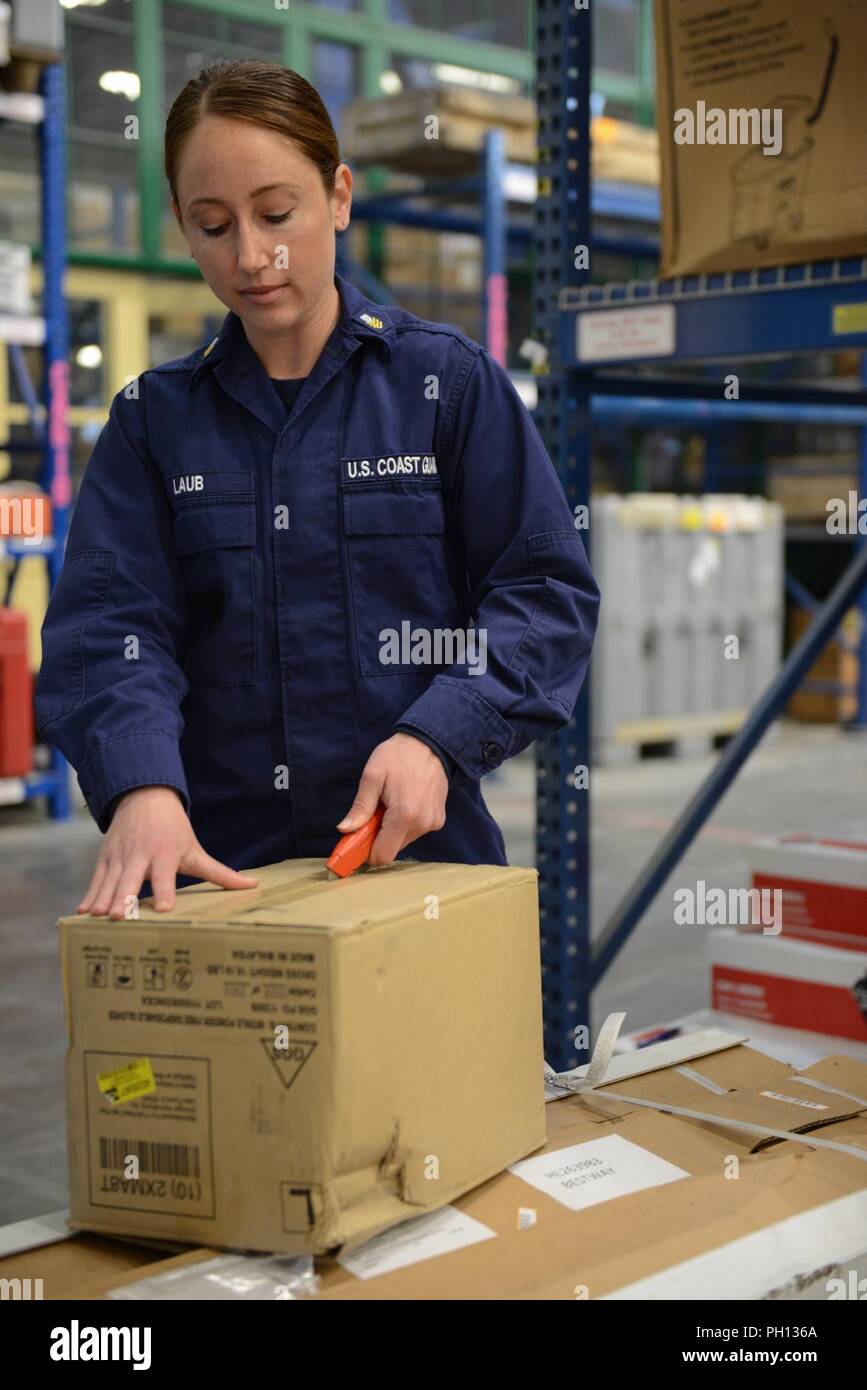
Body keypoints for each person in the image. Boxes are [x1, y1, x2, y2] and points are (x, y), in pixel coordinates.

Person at [35, 60, 600, 921]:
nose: (252, 258)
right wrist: (141, 783)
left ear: (338, 196)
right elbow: (111, 629)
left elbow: (542, 594)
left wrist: (437, 735)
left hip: (417, 870)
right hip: (215, 879)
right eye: (213, 225)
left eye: (276, 214)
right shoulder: (154, 423)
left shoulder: (444, 386)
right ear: (182, 228)